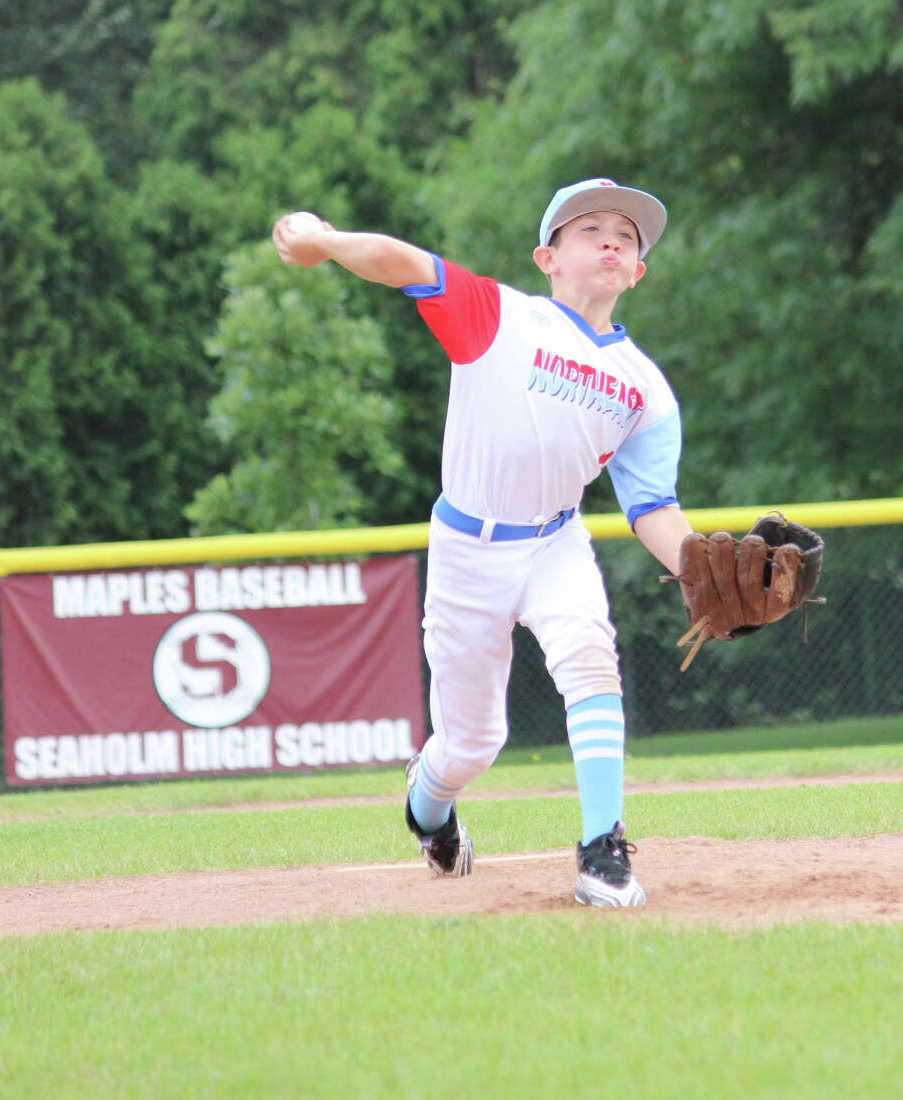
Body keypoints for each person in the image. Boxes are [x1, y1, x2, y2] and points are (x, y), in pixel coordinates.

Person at [272, 179, 695, 905]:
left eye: (626, 237)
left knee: (591, 659)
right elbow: (400, 262)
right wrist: (323, 240)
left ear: (638, 271)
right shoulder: (502, 316)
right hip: (469, 549)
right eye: (589, 229)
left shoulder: (645, 389)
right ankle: (428, 808)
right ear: (547, 257)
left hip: (556, 540)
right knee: (472, 742)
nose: (611, 241)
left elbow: (652, 505)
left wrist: (699, 568)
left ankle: (603, 849)